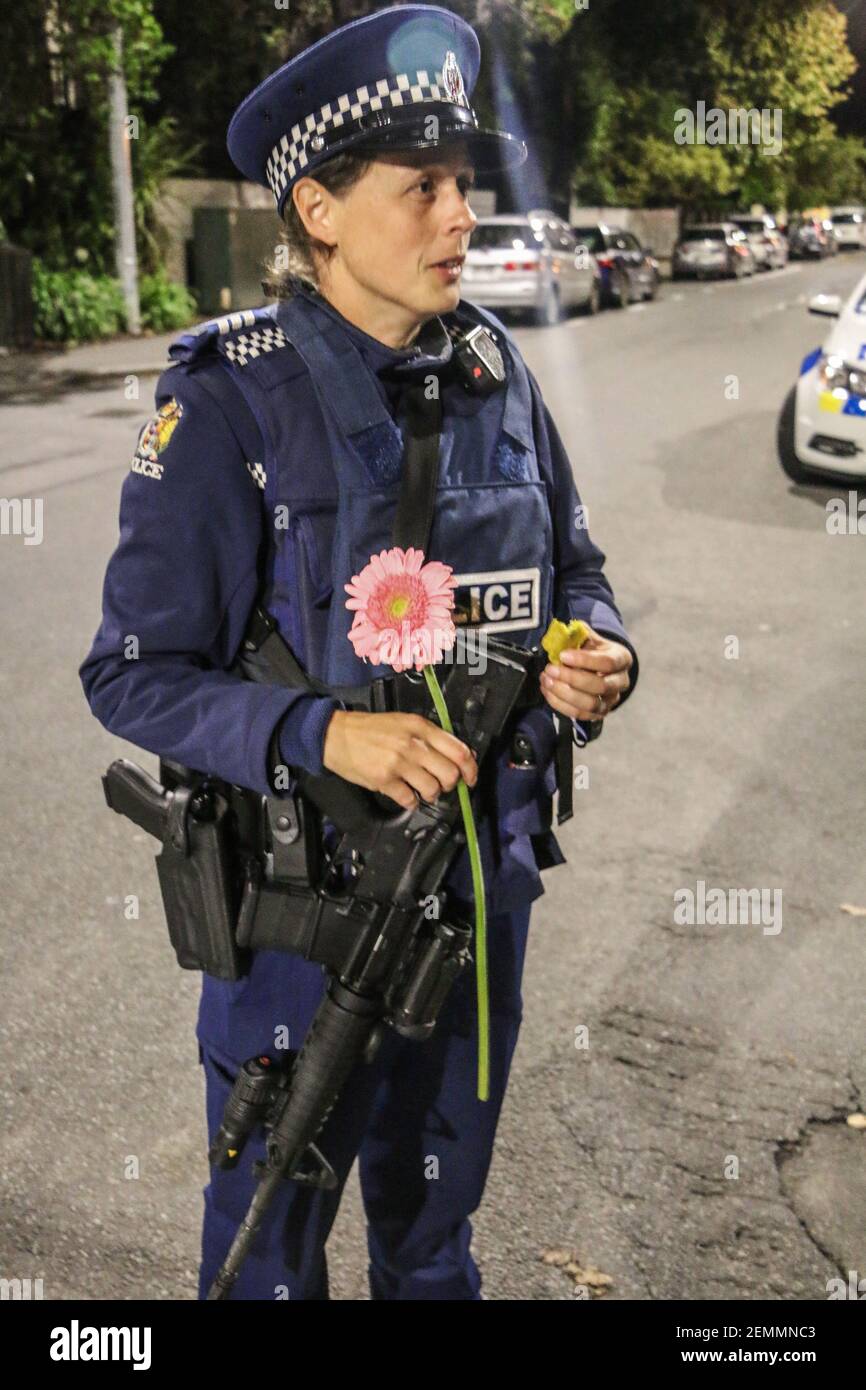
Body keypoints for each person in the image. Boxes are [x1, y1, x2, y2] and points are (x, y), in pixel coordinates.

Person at [80, 2, 639, 1300]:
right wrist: (317, 732)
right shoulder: (227, 399)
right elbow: (128, 671)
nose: (460, 216)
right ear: (317, 212)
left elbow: (583, 578)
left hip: (476, 908)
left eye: (463, 186)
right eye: (421, 188)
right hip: (300, 925)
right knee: (267, 1253)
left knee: (434, 1245)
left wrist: (600, 657)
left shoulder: (498, 372)